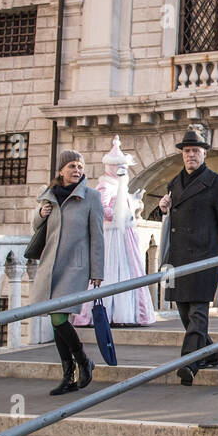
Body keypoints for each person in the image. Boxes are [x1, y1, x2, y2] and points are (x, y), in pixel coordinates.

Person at [153, 127, 218, 385]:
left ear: (204, 153)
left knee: (197, 313)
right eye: (187, 151)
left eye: (195, 150)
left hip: (204, 256)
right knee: (183, 311)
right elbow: (171, 217)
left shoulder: (217, 184)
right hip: (178, 257)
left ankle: (189, 364)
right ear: (182, 154)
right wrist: (163, 208)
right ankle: (209, 352)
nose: (191, 155)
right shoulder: (174, 183)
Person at [31, 150, 106, 396]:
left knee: (59, 318)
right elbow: (38, 228)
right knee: (55, 319)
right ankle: (69, 374)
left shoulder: (91, 197)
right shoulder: (49, 196)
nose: (77, 170)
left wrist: (97, 270)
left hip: (76, 267)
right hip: (51, 265)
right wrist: (39, 215)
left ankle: (82, 361)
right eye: (72, 166)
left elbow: (98, 236)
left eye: (80, 166)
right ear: (61, 170)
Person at [70, 136, 155, 331]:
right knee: (109, 272)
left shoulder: (119, 185)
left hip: (124, 236)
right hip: (110, 237)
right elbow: (103, 210)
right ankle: (105, 312)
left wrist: (132, 202)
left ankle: (127, 312)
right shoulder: (105, 186)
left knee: (126, 272)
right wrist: (117, 212)